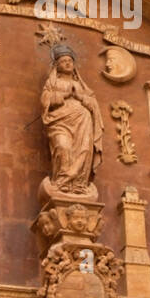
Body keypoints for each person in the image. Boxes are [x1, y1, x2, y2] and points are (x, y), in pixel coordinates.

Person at [40, 44, 103, 195]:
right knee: (63, 147)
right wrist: (64, 95)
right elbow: (45, 100)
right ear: (57, 65)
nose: (68, 63)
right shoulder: (53, 83)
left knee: (84, 150)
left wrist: (80, 96)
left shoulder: (81, 85)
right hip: (60, 122)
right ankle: (62, 182)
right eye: (63, 61)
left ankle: (78, 184)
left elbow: (93, 104)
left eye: (70, 60)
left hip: (83, 123)